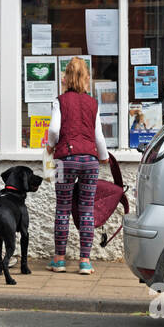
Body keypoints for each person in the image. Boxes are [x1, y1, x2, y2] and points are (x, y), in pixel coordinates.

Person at [45, 57, 109, 275]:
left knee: (63, 208)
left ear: (66, 78)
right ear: (86, 78)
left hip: (66, 158)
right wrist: (103, 156)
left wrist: (51, 146)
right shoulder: (93, 103)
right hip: (89, 161)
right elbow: (98, 136)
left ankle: (59, 260)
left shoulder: (60, 101)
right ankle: (84, 261)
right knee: (86, 210)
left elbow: (54, 130)